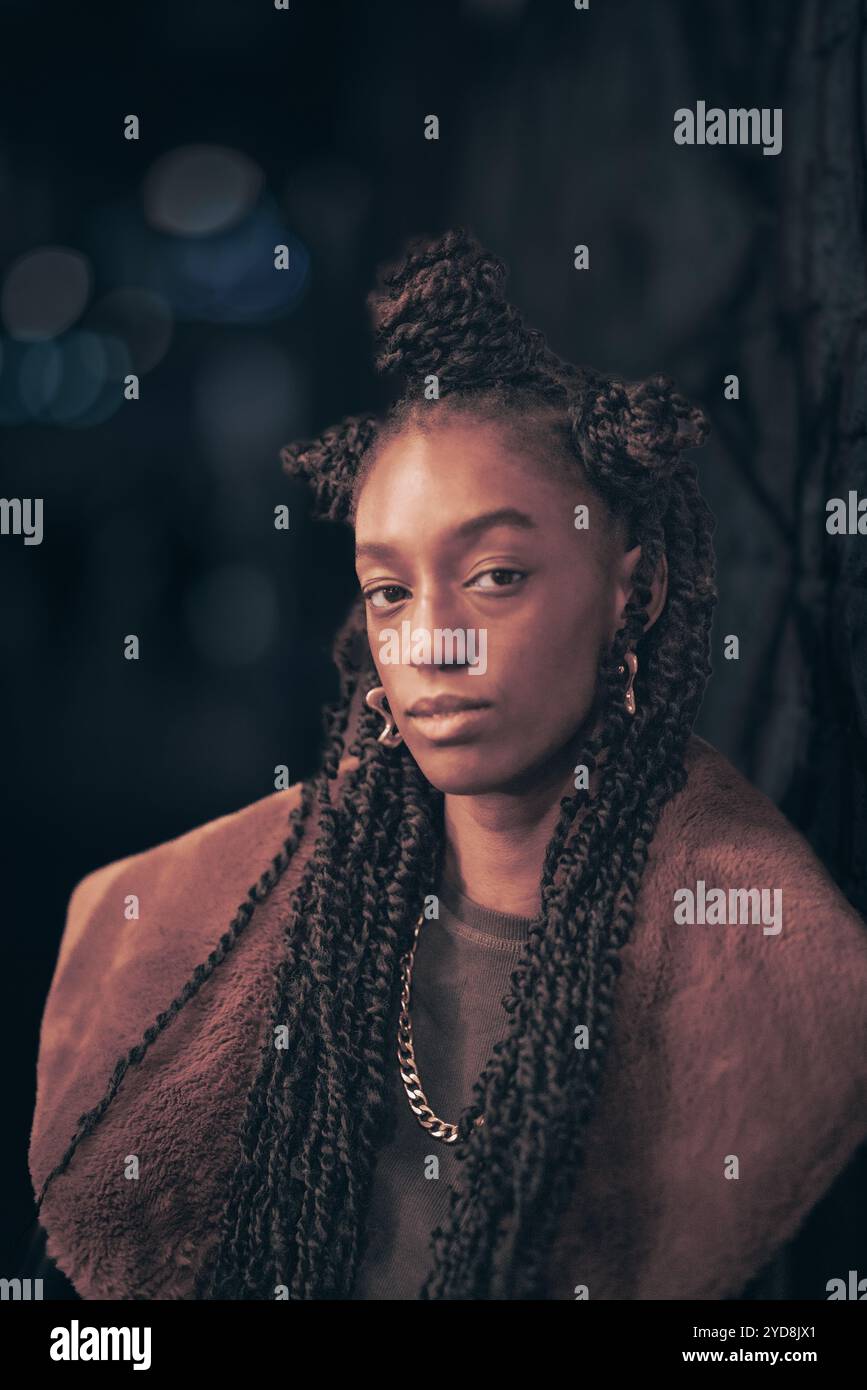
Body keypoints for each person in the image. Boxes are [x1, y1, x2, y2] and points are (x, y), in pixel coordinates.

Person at [29, 228, 867, 1300]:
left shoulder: (776, 967)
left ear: (636, 590)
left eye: (497, 574)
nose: (433, 642)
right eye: (390, 591)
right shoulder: (174, 919)